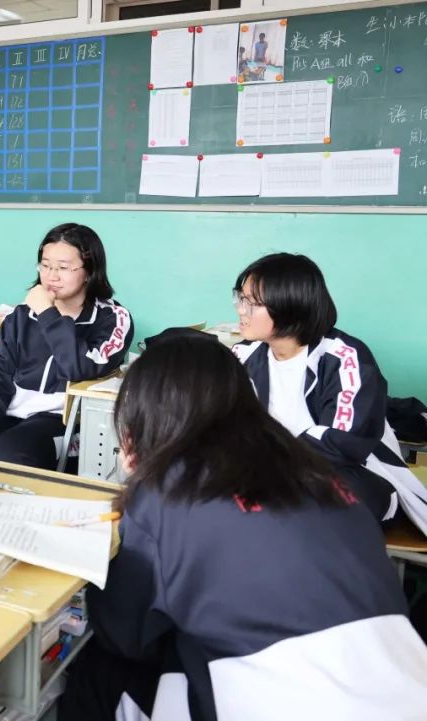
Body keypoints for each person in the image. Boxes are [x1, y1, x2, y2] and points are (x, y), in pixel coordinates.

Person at [60, 334, 427, 721]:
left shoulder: (167, 487)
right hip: (406, 691)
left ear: (147, 414)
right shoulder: (316, 471)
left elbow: (126, 634)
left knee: (98, 668)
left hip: (283, 701)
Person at [232, 253, 427, 530]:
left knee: (309, 506)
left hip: (355, 475)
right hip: (268, 473)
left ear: (289, 304)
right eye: (240, 298)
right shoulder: (242, 355)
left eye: (251, 302)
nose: (241, 310)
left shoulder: (345, 356)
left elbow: (341, 443)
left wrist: (264, 458)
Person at [0, 223, 132, 470]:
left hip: (66, 424)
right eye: (45, 266)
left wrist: (48, 313)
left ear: (89, 271)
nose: (52, 276)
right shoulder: (20, 317)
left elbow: (78, 368)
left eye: (63, 268)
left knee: (8, 457)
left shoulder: (112, 318)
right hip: (10, 415)